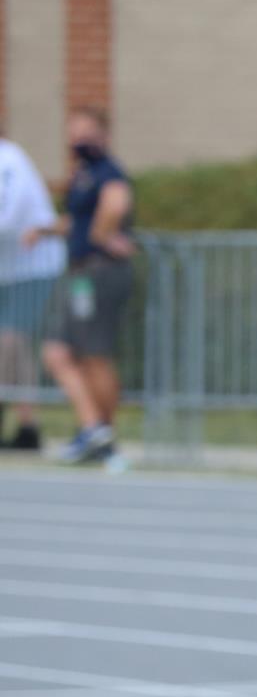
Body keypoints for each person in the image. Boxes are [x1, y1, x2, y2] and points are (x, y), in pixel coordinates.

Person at [21, 109, 136, 467]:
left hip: (100, 273)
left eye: (86, 132)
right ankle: (94, 430)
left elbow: (116, 202)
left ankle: (102, 433)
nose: (78, 140)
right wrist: (45, 231)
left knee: (94, 355)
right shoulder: (83, 175)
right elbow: (79, 221)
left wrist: (103, 234)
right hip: (81, 273)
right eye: (74, 132)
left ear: (103, 135)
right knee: (59, 352)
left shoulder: (108, 172)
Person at [0, 126, 63, 451]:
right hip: (6, 272)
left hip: (31, 269)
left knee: (11, 344)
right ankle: (27, 425)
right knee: (13, 348)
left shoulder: (10, 160)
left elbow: (9, 218)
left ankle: (27, 426)